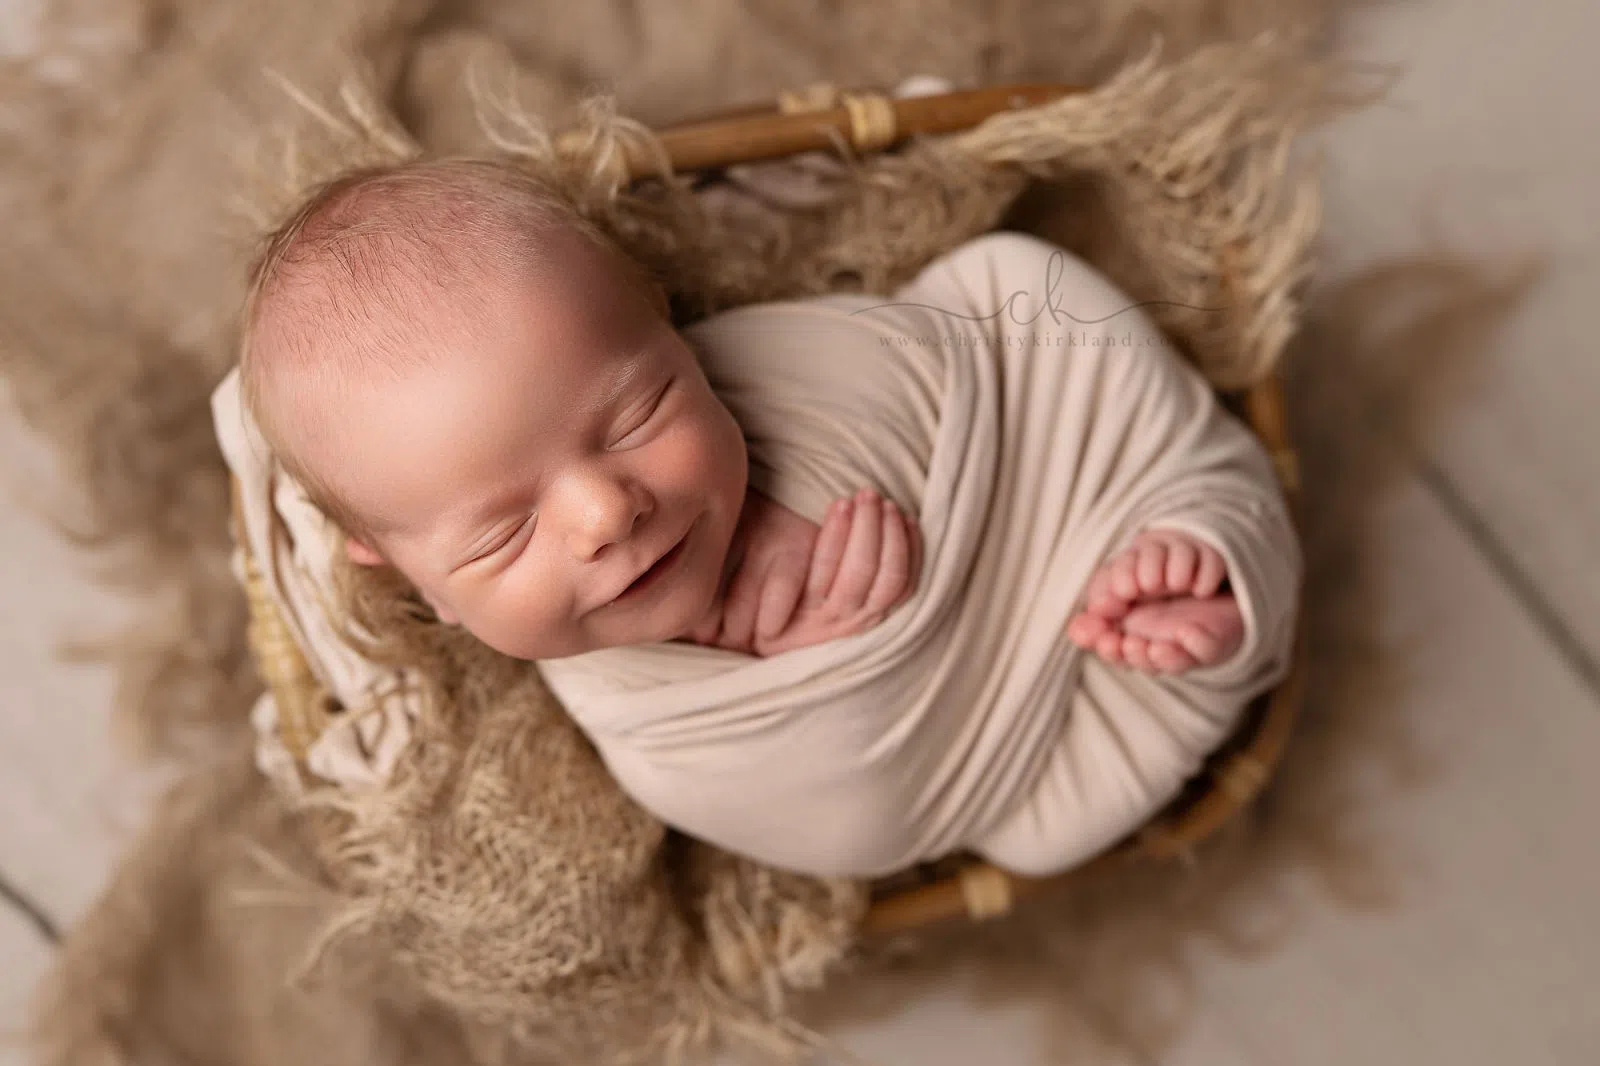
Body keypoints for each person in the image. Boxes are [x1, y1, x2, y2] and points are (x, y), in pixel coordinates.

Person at [235, 157, 1297, 878]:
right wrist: (828, 665)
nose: (606, 510)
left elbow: (920, 356)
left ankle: (1198, 549)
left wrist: (835, 477)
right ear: (406, 575)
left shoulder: (768, 372)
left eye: (637, 410)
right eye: (503, 532)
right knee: (1047, 827)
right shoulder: (655, 728)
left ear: (669, 323)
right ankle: (1195, 626)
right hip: (1019, 743)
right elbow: (859, 825)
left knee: (1024, 296)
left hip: (1049, 464)